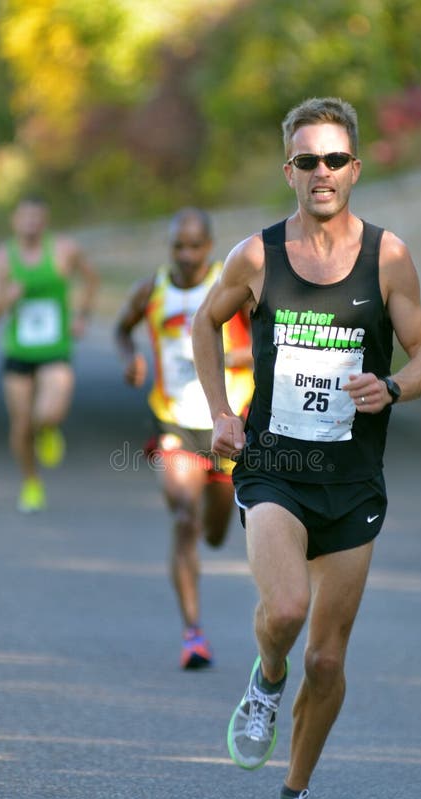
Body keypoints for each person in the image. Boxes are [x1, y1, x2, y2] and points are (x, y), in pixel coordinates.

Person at [192, 97, 421, 799]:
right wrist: (221, 413)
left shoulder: (388, 257)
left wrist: (391, 387)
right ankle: (267, 678)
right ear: (290, 172)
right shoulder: (257, 257)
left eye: (335, 159)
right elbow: (205, 322)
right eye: (308, 161)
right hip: (276, 467)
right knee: (287, 609)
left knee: (328, 659)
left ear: (355, 169)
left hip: (353, 480)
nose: (322, 172)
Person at [115, 208, 253, 670]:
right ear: (169, 247)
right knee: (183, 516)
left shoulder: (230, 286)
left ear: (209, 247)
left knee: (214, 533)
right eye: (179, 246)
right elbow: (121, 330)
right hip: (173, 421)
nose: (187, 255)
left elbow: (271, 341)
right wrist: (131, 359)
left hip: (226, 424)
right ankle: (193, 633)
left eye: (196, 246)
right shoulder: (152, 290)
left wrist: (238, 355)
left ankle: (211, 517)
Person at [0, 195, 99, 512]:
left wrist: (81, 316)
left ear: (45, 221)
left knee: (49, 412)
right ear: (15, 220)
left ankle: (47, 430)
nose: (31, 224)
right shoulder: (2, 258)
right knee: (21, 425)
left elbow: (91, 280)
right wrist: (7, 298)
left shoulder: (64, 250)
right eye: (25, 217)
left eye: (37, 217)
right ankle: (31, 482)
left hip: (55, 348)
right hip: (18, 351)